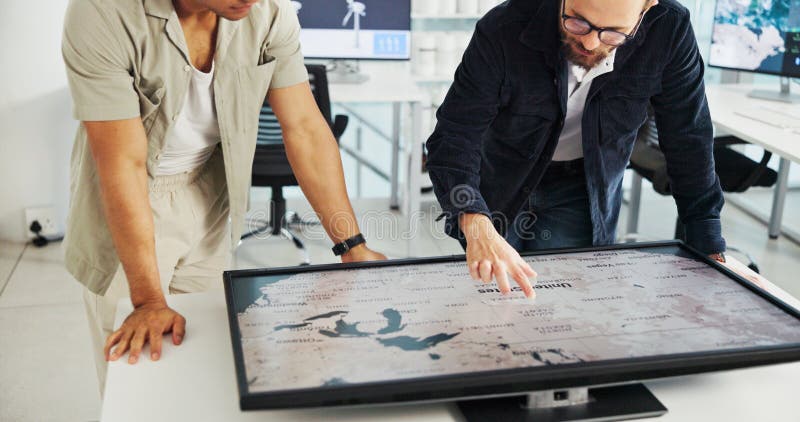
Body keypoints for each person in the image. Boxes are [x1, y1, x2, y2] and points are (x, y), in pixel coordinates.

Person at [61, 0, 385, 387]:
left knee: (208, 359)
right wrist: (148, 301)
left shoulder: (268, 12)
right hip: (133, 200)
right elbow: (122, 164)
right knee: (140, 376)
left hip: (210, 193)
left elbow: (305, 129)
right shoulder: (102, 11)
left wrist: (352, 245)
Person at [426, 0, 729, 297]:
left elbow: (688, 136)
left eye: (613, 32)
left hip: (582, 185)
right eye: (578, 21)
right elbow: (454, 135)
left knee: (565, 300)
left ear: (647, 8)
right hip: (504, 179)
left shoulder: (669, 29)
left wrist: (707, 237)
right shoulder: (505, 27)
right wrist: (473, 219)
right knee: (494, 297)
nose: (590, 42)